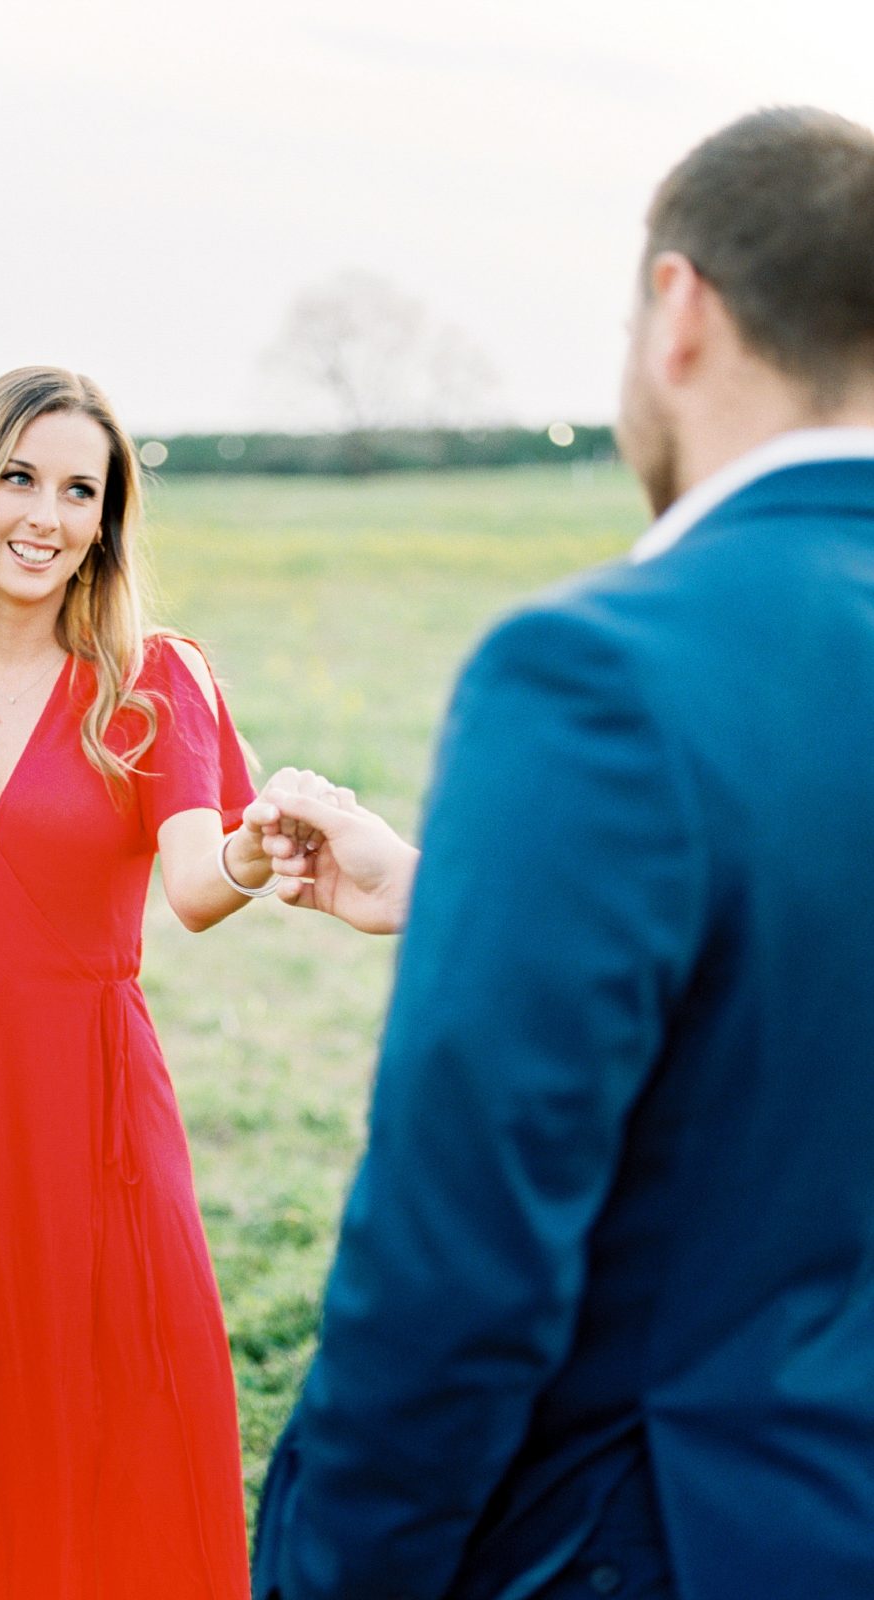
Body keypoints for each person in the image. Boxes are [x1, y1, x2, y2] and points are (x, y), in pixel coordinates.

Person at [250, 106, 874, 1600]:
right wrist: (457, 897)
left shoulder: (598, 672)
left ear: (676, 311)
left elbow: (454, 1263)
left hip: (682, 1537)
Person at [0, 365, 336, 1599]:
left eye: (80, 489)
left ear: (109, 517)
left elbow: (198, 886)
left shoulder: (156, 681)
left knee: (138, 1423)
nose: (46, 515)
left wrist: (258, 847)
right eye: (20, 477)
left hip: (96, 1118)